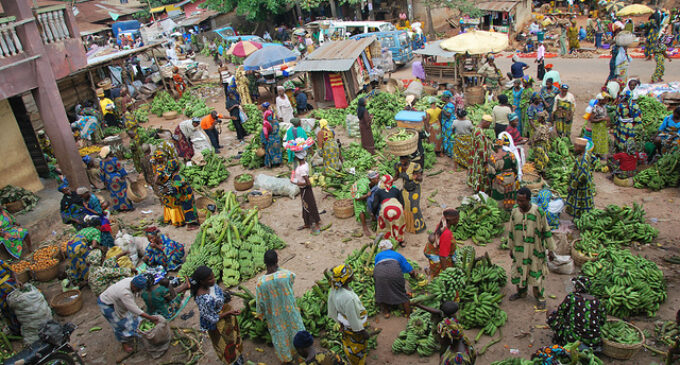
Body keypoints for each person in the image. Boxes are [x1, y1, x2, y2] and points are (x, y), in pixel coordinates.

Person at [508, 187, 555, 310]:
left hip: (535, 249)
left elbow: (546, 230)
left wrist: (550, 250)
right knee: (519, 270)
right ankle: (521, 292)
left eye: (522, 201)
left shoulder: (538, 212)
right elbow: (511, 230)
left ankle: (540, 297)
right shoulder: (514, 212)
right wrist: (511, 247)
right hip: (519, 249)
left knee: (536, 273)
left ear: (529, 200)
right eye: (517, 200)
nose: (519, 203)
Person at [256, 250, 306, 364]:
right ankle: (301, 356)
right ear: (277, 261)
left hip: (275, 317)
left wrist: (261, 314)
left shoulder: (261, 283)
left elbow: (260, 304)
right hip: (291, 313)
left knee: (281, 337)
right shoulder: (286, 275)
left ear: (264, 263)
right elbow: (292, 279)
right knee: (296, 332)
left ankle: (287, 359)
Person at [190, 266, 243, 365]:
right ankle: (234, 362)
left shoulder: (211, 285)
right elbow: (212, 319)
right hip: (218, 326)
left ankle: (238, 357)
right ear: (202, 282)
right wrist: (228, 313)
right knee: (227, 345)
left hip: (226, 316)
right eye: (210, 279)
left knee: (234, 339)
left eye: (213, 277)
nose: (213, 280)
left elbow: (219, 294)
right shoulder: (203, 299)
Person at [98, 275, 161, 353]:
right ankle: (124, 343)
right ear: (134, 287)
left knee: (131, 318)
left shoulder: (132, 281)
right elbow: (134, 309)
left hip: (118, 301)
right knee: (119, 324)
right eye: (138, 290)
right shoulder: (125, 293)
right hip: (106, 304)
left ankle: (134, 331)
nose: (139, 291)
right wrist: (150, 318)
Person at [547, 276, 606, 350]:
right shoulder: (597, 301)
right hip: (593, 341)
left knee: (550, 312)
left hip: (573, 340)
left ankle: (562, 338)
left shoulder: (572, 297)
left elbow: (560, 313)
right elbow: (602, 321)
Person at [328, 264, 370, 365]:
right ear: (348, 279)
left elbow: (332, 308)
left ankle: (354, 359)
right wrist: (363, 332)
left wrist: (340, 322)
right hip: (354, 329)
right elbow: (353, 318)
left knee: (349, 345)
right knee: (357, 349)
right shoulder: (348, 298)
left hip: (346, 326)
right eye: (351, 274)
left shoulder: (334, 290)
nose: (353, 275)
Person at [373, 239, 417, 317]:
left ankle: (386, 312)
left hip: (379, 274)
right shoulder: (397, 255)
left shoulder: (378, 256)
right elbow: (410, 271)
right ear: (392, 248)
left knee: (381, 291)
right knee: (402, 294)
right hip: (394, 273)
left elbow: (377, 266)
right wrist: (414, 277)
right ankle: (408, 315)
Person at [291, 149, 321, 235]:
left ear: (297, 157)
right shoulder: (305, 164)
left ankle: (315, 224)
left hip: (305, 189)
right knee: (306, 205)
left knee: (309, 206)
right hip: (304, 189)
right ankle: (307, 223)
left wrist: (296, 182)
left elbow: (308, 183)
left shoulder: (302, 169)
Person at [487, 135, 520, 210]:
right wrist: (514, 174)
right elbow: (516, 167)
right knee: (510, 194)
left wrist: (492, 180)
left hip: (499, 179)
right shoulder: (510, 155)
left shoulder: (493, 158)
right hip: (510, 178)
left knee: (499, 196)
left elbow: (490, 172)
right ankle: (511, 208)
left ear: (494, 147)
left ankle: (501, 210)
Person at [394, 155, 425, 234]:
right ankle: (408, 226)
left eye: (404, 159)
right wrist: (389, 181)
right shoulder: (398, 166)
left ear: (408, 159)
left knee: (414, 207)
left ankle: (418, 227)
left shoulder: (415, 166)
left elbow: (420, 179)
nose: (402, 161)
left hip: (415, 189)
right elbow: (396, 176)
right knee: (406, 207)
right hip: (405, 189)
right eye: (401, 159)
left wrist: (413, 177)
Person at [565, 138, 595, 219]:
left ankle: (581, 219)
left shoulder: (584, 159)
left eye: (576, 147)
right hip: (580, 183)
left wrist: (573, 186)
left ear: (581, 147)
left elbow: (582, 175)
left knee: (581, 203)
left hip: (581, 185)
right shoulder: (584, 154)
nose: (574, 149)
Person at [372, 175, 406, 246]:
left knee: (385, 225)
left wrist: (374, 214)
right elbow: (402, 202)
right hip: (397, 209)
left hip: (386, 209)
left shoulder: (378, 191)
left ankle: (386, 240)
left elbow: (375, 205)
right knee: (398, 224)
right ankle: (401, 241)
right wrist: (402, 212)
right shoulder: (396, 190)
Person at [424, 209, 459, 277]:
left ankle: (430, 270)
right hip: (436, 254)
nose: (458, 221)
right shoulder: (447, 234)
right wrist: (445, 273)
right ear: (451, 221)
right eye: (457, 219)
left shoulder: (442, 225)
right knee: (439, 272)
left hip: (431, 250)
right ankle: (431, 273)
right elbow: (443, 257)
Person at [168, 158, 200, 229]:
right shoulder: (177, 177)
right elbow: (176, 187)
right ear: (178, 167)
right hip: (185, 197)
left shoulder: (173, 177)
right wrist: (183, 183)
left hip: (185, 196)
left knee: (189, 208)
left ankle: (193, 222)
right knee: (188, 210)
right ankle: (190, 225)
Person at [99, 147, 133, 212]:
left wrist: (104, 181)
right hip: (117, 178)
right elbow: (120, 169)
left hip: (109, 179)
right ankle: (127, 206)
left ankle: (118, 208)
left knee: (114, 193)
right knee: (123, 192)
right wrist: (124, 176)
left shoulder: (101, 163)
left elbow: (102, 174)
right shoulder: (114, 160)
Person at [467, 115, 494, 193]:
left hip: (474, 156)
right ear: (485, 122)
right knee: (481, 175)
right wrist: (486, 161)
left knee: (476, 174)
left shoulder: (475, 129)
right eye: (489, 124)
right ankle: (480, 191)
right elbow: (482, 150)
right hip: (479, 159)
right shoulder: (480, 133)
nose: (489, 126)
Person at [351, 171, 380, 237]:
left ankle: (373, 218)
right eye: (377, 178)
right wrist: (367, 195)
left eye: (378, 177)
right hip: (356, 193)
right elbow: (357, 198)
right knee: (361, 208)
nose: (379, 179)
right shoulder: (363, 187)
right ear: (372, 179)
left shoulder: (374, 183)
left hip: (365, 192)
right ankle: (364, 227)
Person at [260, 103, 283, 168]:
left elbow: (264, 134)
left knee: (269, 152)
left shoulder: (266, 123)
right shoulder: (275, 121)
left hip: (270, 140)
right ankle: (279, 163)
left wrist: (263, 142)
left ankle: (269, 165)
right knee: (278, 151)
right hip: (277, 138)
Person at [590, 92, 611, 157]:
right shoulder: (595, 108)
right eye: (605, 100)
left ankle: (601, 155)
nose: (606, 101)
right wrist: (603, 119)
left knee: (603, 142)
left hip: (603, 128)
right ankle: (596, 155)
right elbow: (592, 120)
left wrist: (607, 122)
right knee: (597, 142)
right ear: (600, 100)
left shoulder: (604, 107)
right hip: (597, 128)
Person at [441, 91, 456, 158]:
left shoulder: (450, 105)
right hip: (446, 124)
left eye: (442, 97)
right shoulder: (446, 104)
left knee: (449, 138)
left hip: (449, 124)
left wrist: (442, 110)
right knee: (446, 138)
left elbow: (448, 114)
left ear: (445, 98)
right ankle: (448, 152)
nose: (441, 98)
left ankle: (450, 153)